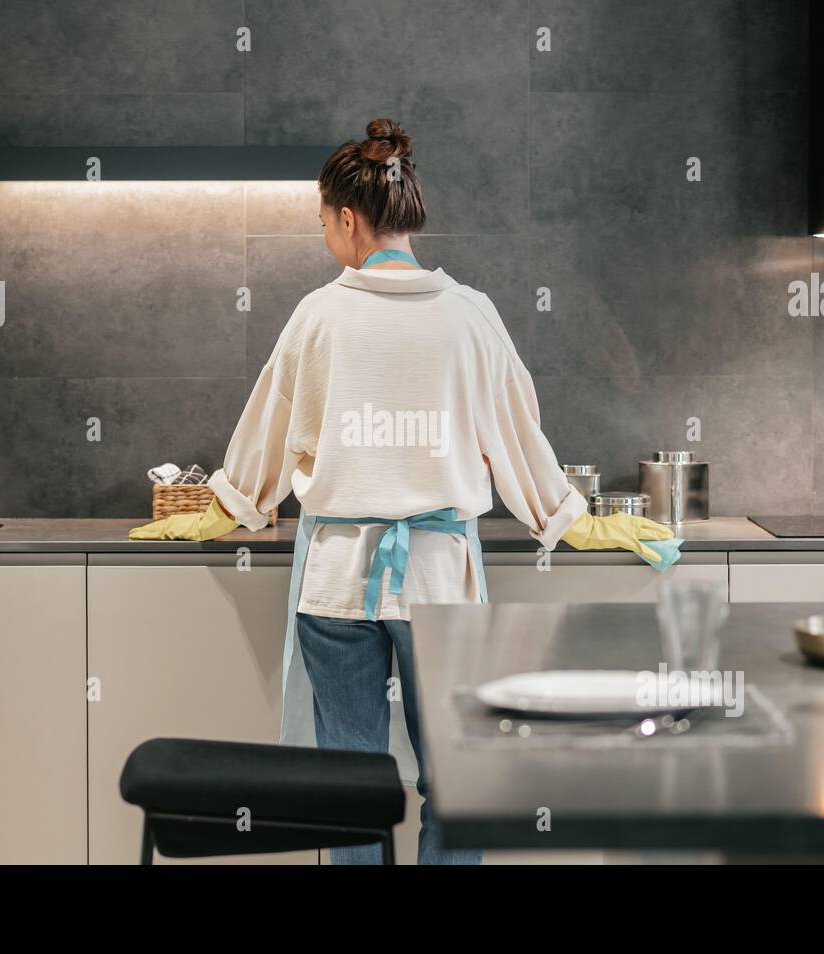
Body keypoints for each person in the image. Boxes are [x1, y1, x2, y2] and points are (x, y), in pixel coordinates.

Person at [130, 119, 678, 864]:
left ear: (349, 219)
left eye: (325, 223)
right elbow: (520, 440)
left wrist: (229, 504)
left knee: (349, 790)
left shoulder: (317, 318)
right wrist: (570, 517)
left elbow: (265, 435)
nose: (327, 237)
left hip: (336, 585)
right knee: (457, 783)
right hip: (439, 583)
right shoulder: (470, 316)